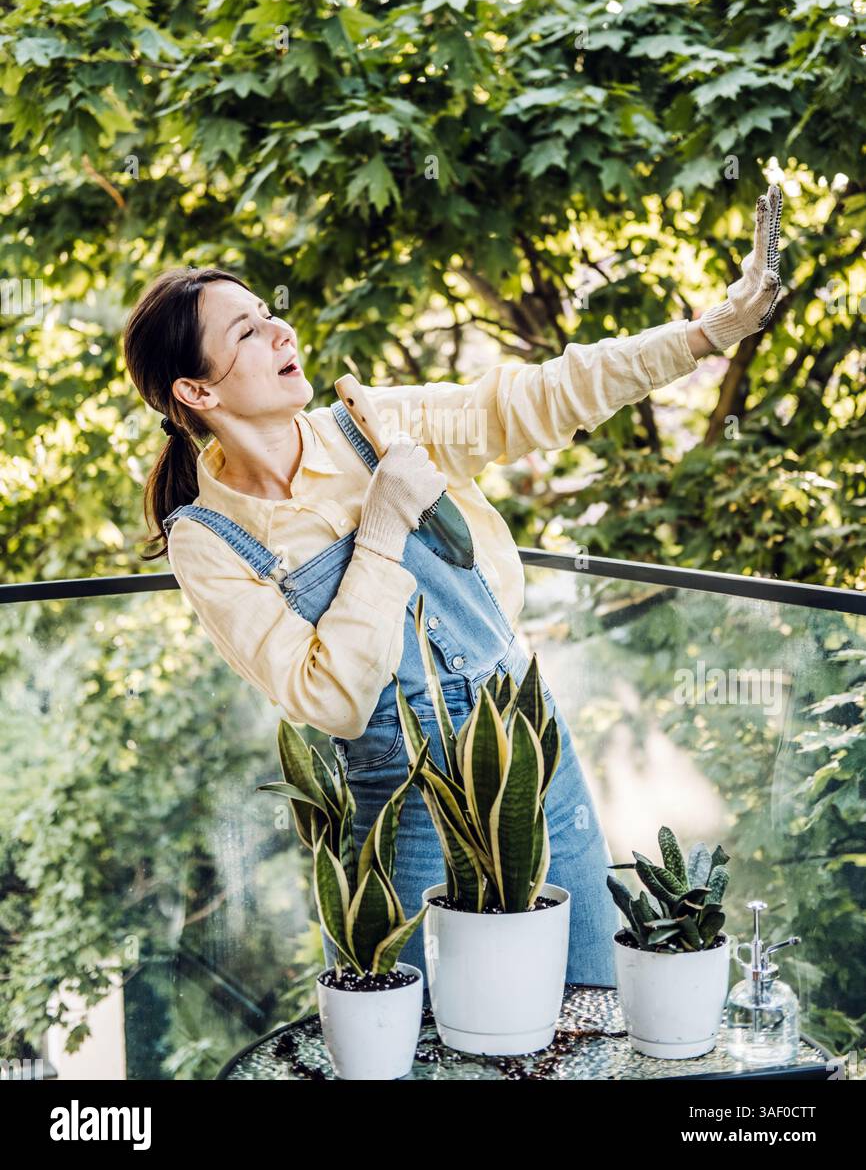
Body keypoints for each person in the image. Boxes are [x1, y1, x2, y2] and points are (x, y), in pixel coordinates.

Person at [121, 191, 781, 993]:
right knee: (415, 1028)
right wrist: (384, 527)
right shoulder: (210, 539)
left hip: (524, 741)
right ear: (198, 393)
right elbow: (329, 698)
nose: (280, 330)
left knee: (589, 991)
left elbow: (533, 397)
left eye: (270, 314)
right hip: (400, 796)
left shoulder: (371, 421)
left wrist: (708, 332)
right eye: (247, 332)